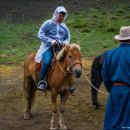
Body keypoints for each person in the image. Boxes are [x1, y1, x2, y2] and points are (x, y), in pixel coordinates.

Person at [35, 6, 76, 94]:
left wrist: (65, 42)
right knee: (46, 61)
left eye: (63, 16)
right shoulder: (48, 23)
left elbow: (67, 37)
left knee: (70, 60)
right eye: (60, 15)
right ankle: (42, 81)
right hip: (48, 47)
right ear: (56, 14)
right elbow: (40, 34)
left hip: (61, 48)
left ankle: (70, 83)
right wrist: (50, 41)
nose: (61, 18)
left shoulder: (64, 27)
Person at [101, 26, 130, 130]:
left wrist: (112, 89)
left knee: (112, 122)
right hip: (128, 91)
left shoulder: (110, 54)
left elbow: (104, 74)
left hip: (114, 90)